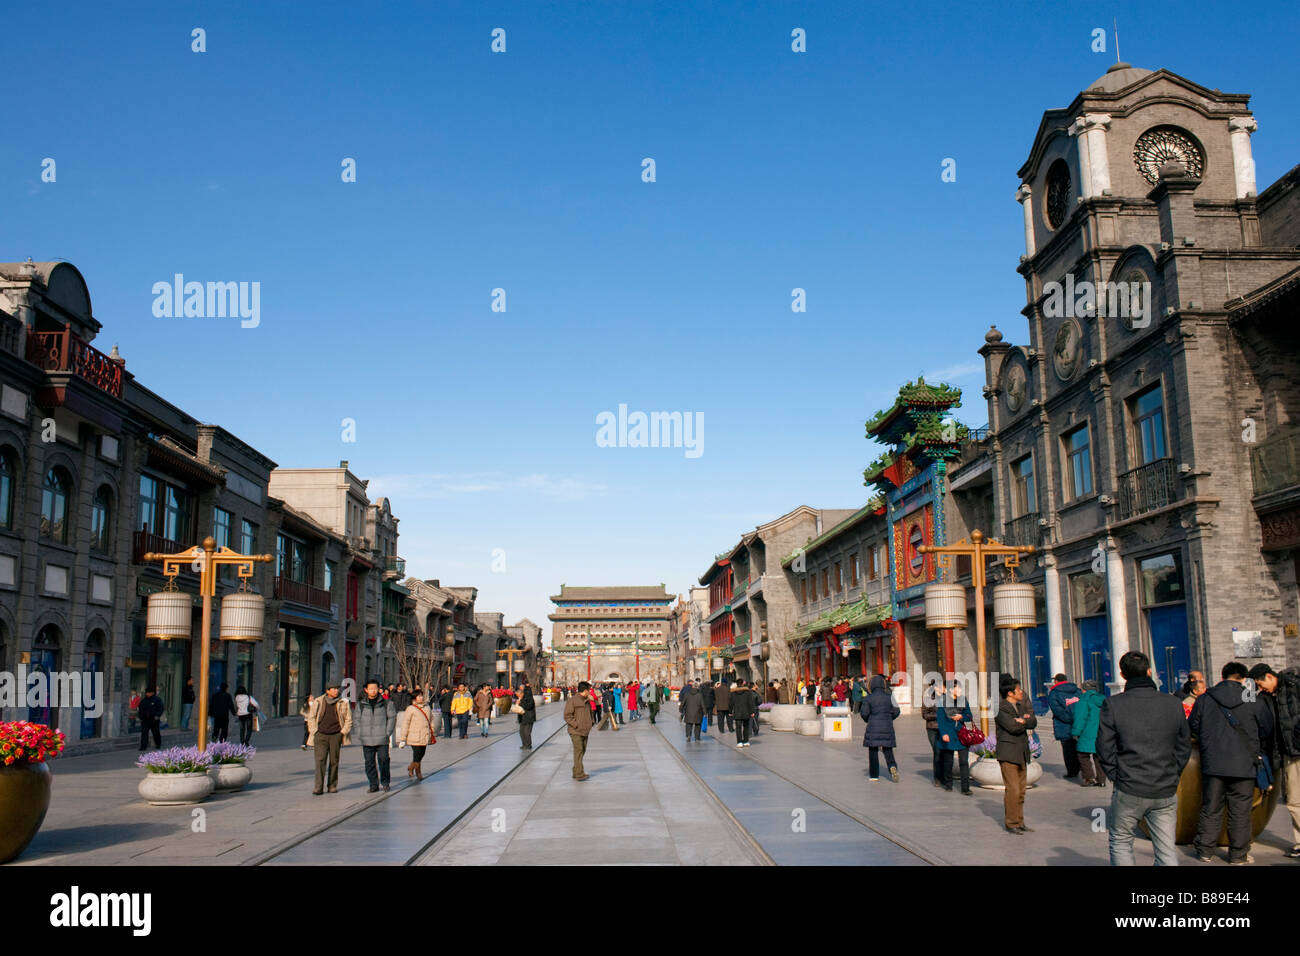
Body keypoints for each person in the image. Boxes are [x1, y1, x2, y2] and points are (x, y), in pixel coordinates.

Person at [1096, 650, 1191, 866]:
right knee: (1166, 848)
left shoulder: (1114, 704)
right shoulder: (1173, 703)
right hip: (1165, 786)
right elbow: (1183, 744)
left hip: (1129, 785)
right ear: (1149, 672)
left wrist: (1116, 774)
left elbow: (1104, 746)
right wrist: (1173, 771)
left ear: (1122, 675)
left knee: (1121, 841)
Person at [1190, 661, 1273, 864]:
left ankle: (1205, 850)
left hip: (1213, 764)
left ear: (1222, 676)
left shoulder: (1205, 699)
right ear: (1244, 679)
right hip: (1244, 765)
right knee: (1240, 811)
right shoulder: (1252, 699)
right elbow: (1266, 729)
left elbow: (1192, 725)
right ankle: (1238, 854)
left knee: (1211, 807)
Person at [995, 676, 1037, 834]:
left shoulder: (1020, 706)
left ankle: (1020, 821)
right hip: (1008, 753)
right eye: (1018, 690)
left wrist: (1023, 721)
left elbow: (1032, 721)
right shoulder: (1000, 708)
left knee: (1021, 790)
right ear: (1010, 693)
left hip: (1022, 752)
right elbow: (1011, 727)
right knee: (1013, 789)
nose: (1021, 692)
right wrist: (1021, 722)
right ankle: (1011, 823)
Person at [306, 682, 352, 794]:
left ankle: (332, 785)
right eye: (333, 689)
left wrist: (342, 732)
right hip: (320, 735)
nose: (336, 691)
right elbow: (311, 717)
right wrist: (314, 731)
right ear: (327, 691)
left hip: (336, 734)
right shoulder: (319, 701)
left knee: (334, 761)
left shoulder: (343, 702)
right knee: (320, 760)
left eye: (337, 689)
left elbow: (348, 719)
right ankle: (318, 787)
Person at [357, 678, 397, 793]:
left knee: (383, 759)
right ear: (366, 690)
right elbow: (356, 720)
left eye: (375, 688)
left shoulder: (386, 703)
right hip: (367, 738)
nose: (373, 691)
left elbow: (392, 717)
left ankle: (385, 782)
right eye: (371, 689)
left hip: (382, 737)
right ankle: (373, 784)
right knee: (369, 763)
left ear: (379, 689)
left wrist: (387, 732)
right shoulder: (361, 704)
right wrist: (360, 733)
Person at [859, 674, 900, 781]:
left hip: (873, 727)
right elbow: (897, 711)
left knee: (873, 751)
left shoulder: (869, 698)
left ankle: (874, 775)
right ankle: (892, 766)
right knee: (888, 750)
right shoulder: (890, 697)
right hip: (887, 726)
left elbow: (864, 713)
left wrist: (868, 719)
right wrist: (889, 718)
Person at [936, 679, 974, 794]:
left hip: (961, 733)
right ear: (951, 689)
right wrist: (944, 734)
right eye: (958, 688)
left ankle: (965, 787)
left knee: (964, 761)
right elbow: (941, 719)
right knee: (948, 761)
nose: (960, 690)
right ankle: (948, 784)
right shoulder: (942, 701)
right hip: (948, 733)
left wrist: (961, 716)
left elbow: (969, 715)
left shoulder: (963, 700)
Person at [1046, 673, 1082, 779]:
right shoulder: (1077, 691)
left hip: (1063, 726)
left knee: (1067, 749)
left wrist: (1068, 719)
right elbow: (1082, 705)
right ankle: (1081, 769)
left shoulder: (1054, 693)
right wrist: (1077, 719)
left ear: (1056, 681)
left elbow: (1057, 710)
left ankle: (1072, 771)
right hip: (1078, 723)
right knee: (1079, 748)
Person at [1072, 680, 1107, 787]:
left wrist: (1075, 732)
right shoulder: (1103, 699)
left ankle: (1089, 778)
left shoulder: (1083, 700)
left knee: (1083, 755)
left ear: (1083, 689)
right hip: (1102, 731)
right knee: (1099, 756)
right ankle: (1101, 780)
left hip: (1087, 732)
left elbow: (1080, 718)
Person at [397, 688, 436, 780]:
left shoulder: (427, 707)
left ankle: (411, 767)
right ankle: (418, 772)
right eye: (419, 696)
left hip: (425, 735)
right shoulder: (410, 708)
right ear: (414, 698)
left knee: (422, 754)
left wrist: (432, 730)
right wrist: (402, 738)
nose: (421, 697)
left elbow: (431, 720)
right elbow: (405, 723)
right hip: (414, 735)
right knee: (417, 754)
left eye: (421, 695)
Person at [564, 681, 593, 780]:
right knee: (579, 750)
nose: (590, 691)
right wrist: (576, 725)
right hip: (575, 730)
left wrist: (591, 722)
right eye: (589, 690)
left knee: (582, 750)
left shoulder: (587, 700)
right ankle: (579, 773)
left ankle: (576, 770)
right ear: (585, 690)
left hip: (585, 729)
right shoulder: (573, 700)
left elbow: (590, 713)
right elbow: (567, 715)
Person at [921, 677, 943, 788]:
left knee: (945, 752)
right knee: (937, 751)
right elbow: (924, 714)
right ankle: (937, 778)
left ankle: (945, 775)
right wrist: (938, 716)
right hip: (932, 728)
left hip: (944, 728)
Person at [731, 678, 757, 747]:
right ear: (742, 683)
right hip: (746, 712)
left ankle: (739, 742)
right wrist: (752, 711)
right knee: (746, 727)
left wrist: (730, 711)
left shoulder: (733, 693)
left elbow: (731, 703)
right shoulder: (747, 692)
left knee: (738, 727)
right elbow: (751, 702)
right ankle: (746, 741)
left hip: (737, 712)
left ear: (736, 684)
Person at [137, 686, 164, 752]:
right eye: (147, 693)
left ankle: (158, 744)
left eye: (149, 693)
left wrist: (157, 715)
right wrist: (141, 717)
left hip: (154, 719)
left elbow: (160, 709)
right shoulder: (144, 700)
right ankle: (143, 746)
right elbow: (140, 709)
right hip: (145, 719)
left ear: (152, 693)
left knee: (156, 733)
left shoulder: (157, 700)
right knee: (144, 733)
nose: (147, 694)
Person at [516, 680, 536, 749]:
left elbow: (529, 706)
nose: (518, 697)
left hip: (529, 717)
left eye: (519, 695)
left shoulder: (529, 697)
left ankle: (528, 745)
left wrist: (520, 703)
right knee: (521, 732)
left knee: (527, 732)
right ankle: (524, 744)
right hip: (522, 718)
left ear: (522, 693)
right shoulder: (521, 698)